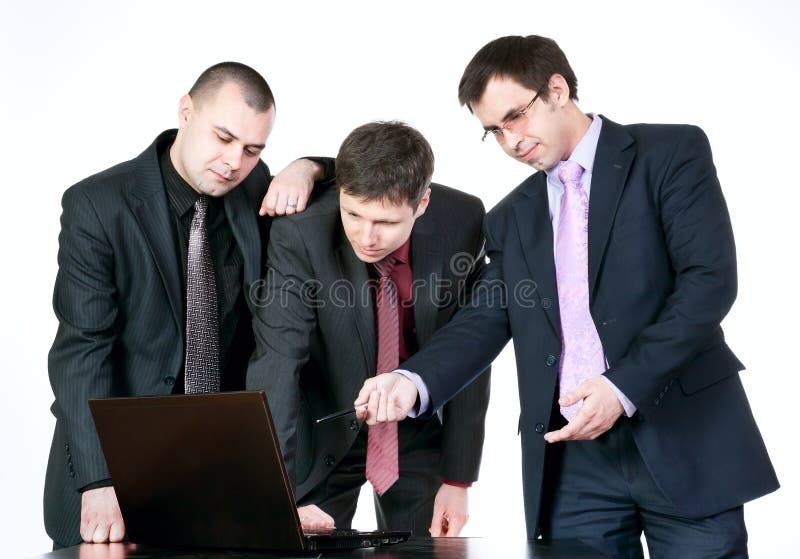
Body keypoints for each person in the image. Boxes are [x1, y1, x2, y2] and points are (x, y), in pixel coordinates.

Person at [355, 36, 779, 558]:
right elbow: (482, 321)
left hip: (682, 437)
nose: (510, 141)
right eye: (493, 130)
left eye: (516, 116)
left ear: (557, 89)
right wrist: (410, 380)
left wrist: (622, 386)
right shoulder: (511, 217)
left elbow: (709, 281)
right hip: (573, 460)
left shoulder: (669, 154)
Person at [45, 61, 334, 548]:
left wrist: (308, 167)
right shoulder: (98, 205)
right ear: (185, 111)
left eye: (251, 149)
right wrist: (99, 482)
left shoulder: (255, 185)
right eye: (222, 138)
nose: (233, 162)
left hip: (219, 468)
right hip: (118, 463)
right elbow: (81, 351)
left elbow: (360, 175)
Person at [247, 121, 490, 537]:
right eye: (353, 214)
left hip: (413, 429)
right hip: (319, 427)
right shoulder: (299, 232)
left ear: (423, 203)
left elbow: (469, 347)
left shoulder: (463, 222)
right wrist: (276, 490)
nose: (366, 236)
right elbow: (278, 359)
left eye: (386, 222)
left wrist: (458, 478)